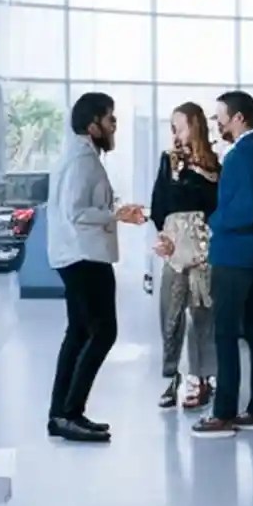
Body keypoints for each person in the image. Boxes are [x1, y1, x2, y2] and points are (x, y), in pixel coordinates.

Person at [47, 92, 146, 443]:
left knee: (78, 334)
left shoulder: (83, 156)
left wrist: (115, 210)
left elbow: (83, 205)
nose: (114, 125)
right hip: (84, 257)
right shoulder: (81, 161)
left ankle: (63, 414)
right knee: (102, 332)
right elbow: (76, 212)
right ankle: (68, 413)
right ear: (93, 125)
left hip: (79, 255)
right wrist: (114, 214)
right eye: (110, 119)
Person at [192, 91, 253, 438]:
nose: (218, 125)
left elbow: (245, 211)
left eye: (221, 118)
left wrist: (212, 219)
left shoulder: (242, 157)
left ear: (240, 118)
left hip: (234, 257)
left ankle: (223, 414)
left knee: (226, 333)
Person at [150, 102, 220, 410]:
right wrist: (163, 237)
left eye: (179, 125)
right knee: (170, 314)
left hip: (205, 251)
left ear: (195, 125)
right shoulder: (169, 162)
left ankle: (202, 379)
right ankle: (170, 376)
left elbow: (218, 208)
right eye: (172, 127)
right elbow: (158, 205)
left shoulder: (215, 166)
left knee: (203, 315)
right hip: (175, 249)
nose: (176, 132)